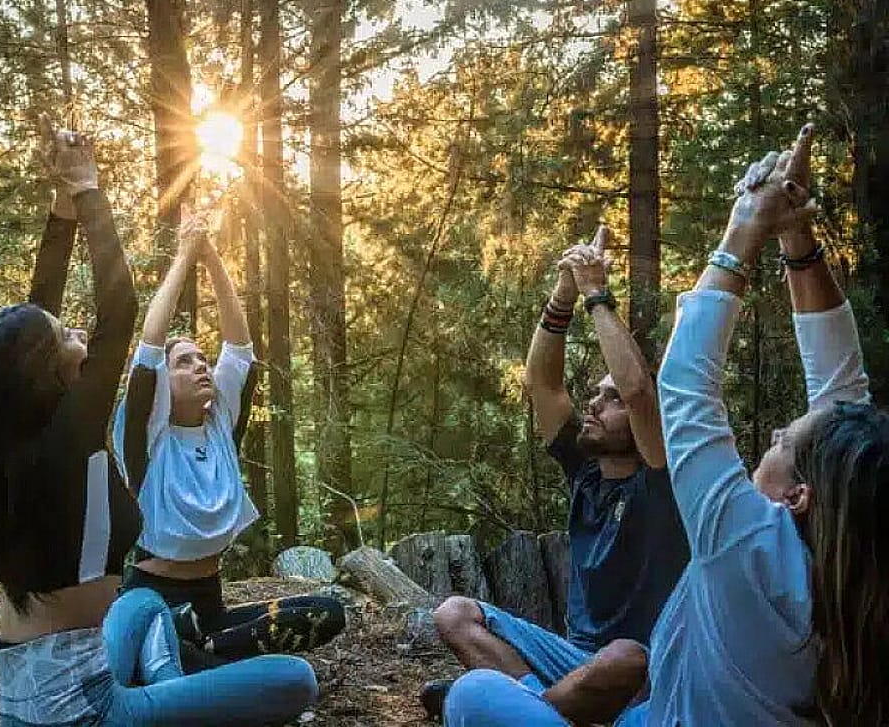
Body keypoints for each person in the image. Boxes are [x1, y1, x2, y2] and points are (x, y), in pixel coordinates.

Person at [445, 123, 889, 726]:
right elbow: (844, 396)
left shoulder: (741, 540)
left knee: (472, 697)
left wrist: (745, 229)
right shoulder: (850, 570)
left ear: (797, 496)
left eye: (784, 440)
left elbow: (680, 387)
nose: (776, 436)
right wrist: (795, 235)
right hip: (650, 704)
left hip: (654, 700)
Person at [0, 121, 317, 726]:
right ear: (47, 371)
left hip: (31, 698)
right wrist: (91, 189)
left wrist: (63, 205)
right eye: (67, 336)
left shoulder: (17, 439)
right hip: (82, 713)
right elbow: (119, 307)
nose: (76, 332)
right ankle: (165, 694)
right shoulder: (70, 436)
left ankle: (168, 683)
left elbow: (34, 314)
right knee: (295, 679)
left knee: (145, 604)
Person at [421, 225, 689, 723]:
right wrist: (564, 293)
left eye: (610, 400)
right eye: (598, 393)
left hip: (643, 677)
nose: (596, 401)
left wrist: (596, 292)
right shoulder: (585, 473)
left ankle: (524, 712)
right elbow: (541, 382)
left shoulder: (662, 482)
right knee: (454, 614)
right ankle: (552, 712)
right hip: (573, 663)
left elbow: (638, 391)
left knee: (625, 655)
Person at [114, 209, 346, 670]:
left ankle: (207, 653)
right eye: (184, 362)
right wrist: (184, 255)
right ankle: (195, 656)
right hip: (150, 600)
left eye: (203, 359)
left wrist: (212, 255)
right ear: (163, 380)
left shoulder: (219, 426)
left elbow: (239, 349)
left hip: (209, 603)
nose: (200, 365)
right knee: (166, 649)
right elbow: (149, 349)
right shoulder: (144, 440)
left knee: (325, 612)